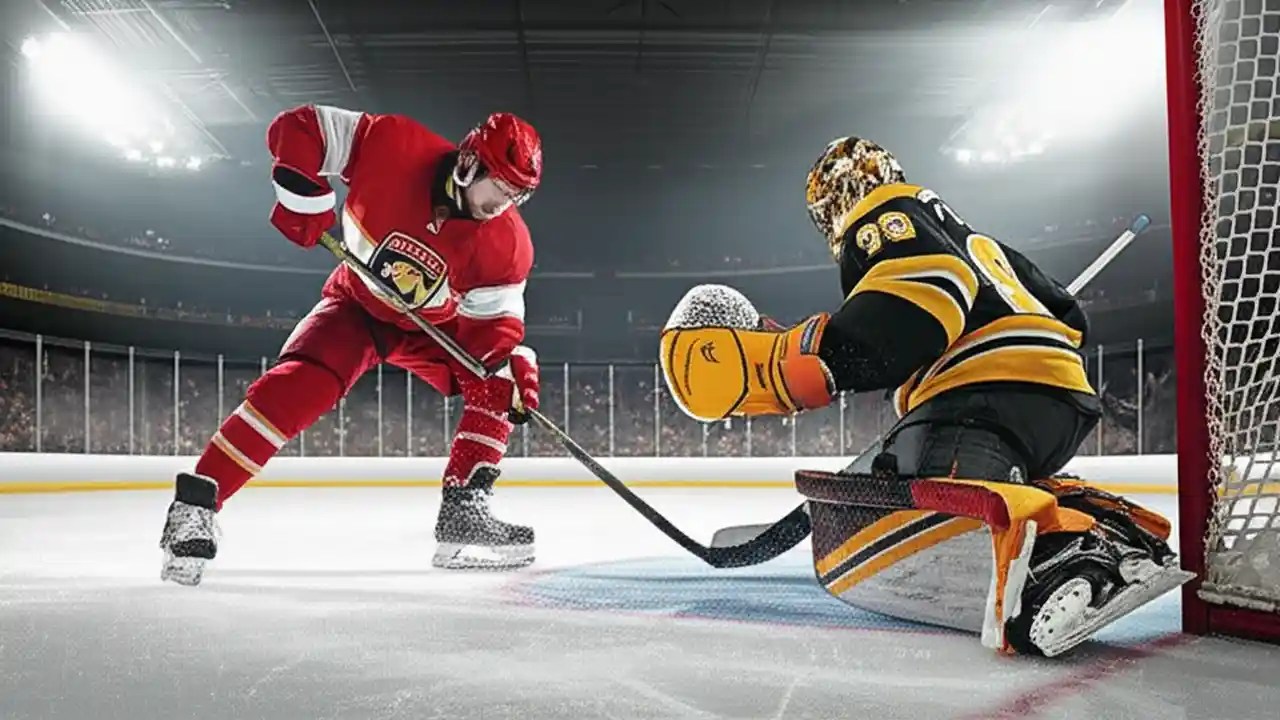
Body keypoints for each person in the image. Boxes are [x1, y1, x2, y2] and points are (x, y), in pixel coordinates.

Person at [657, 137, 1189, 656]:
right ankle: (1111, 531)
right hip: (1059, 402)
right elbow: (1070, 316)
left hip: (983, 396)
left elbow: (917, 303)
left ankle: (1055, 557)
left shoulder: (885, 218)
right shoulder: (979, 242)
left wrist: (807, 363)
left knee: (919, 477)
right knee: (934, 454)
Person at [159, 105, 544, 585]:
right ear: (469, 163)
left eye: (515, 195)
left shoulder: (509, 247)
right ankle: (194, 507)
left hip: (430, 331)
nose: (502, 204)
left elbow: (492, 332)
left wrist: (504, 365)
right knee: (296, 386)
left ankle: (462, 515)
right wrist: (304, 195)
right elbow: (299, 127)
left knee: (502, 378)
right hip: (357, 306)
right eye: (499, 187)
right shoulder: (392, 144)